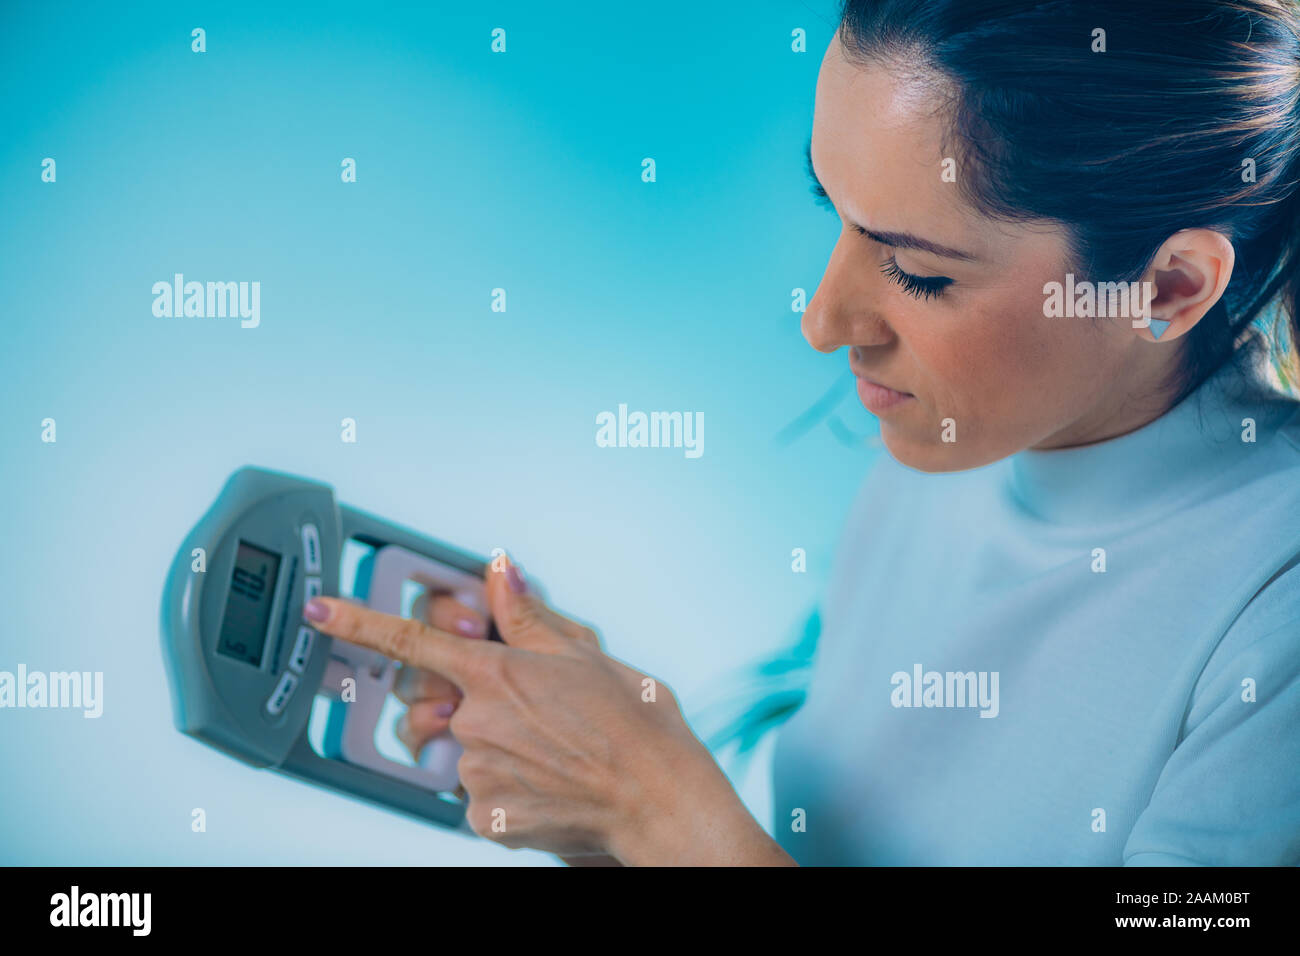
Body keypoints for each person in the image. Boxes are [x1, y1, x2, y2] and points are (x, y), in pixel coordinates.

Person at [303, 0, 1300, 865]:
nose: (822, 323)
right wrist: (597, 807)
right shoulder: (947, 449)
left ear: (1167, 287)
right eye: (838, 214)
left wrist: (656, 808)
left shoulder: (1276, 606)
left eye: (919, 272)